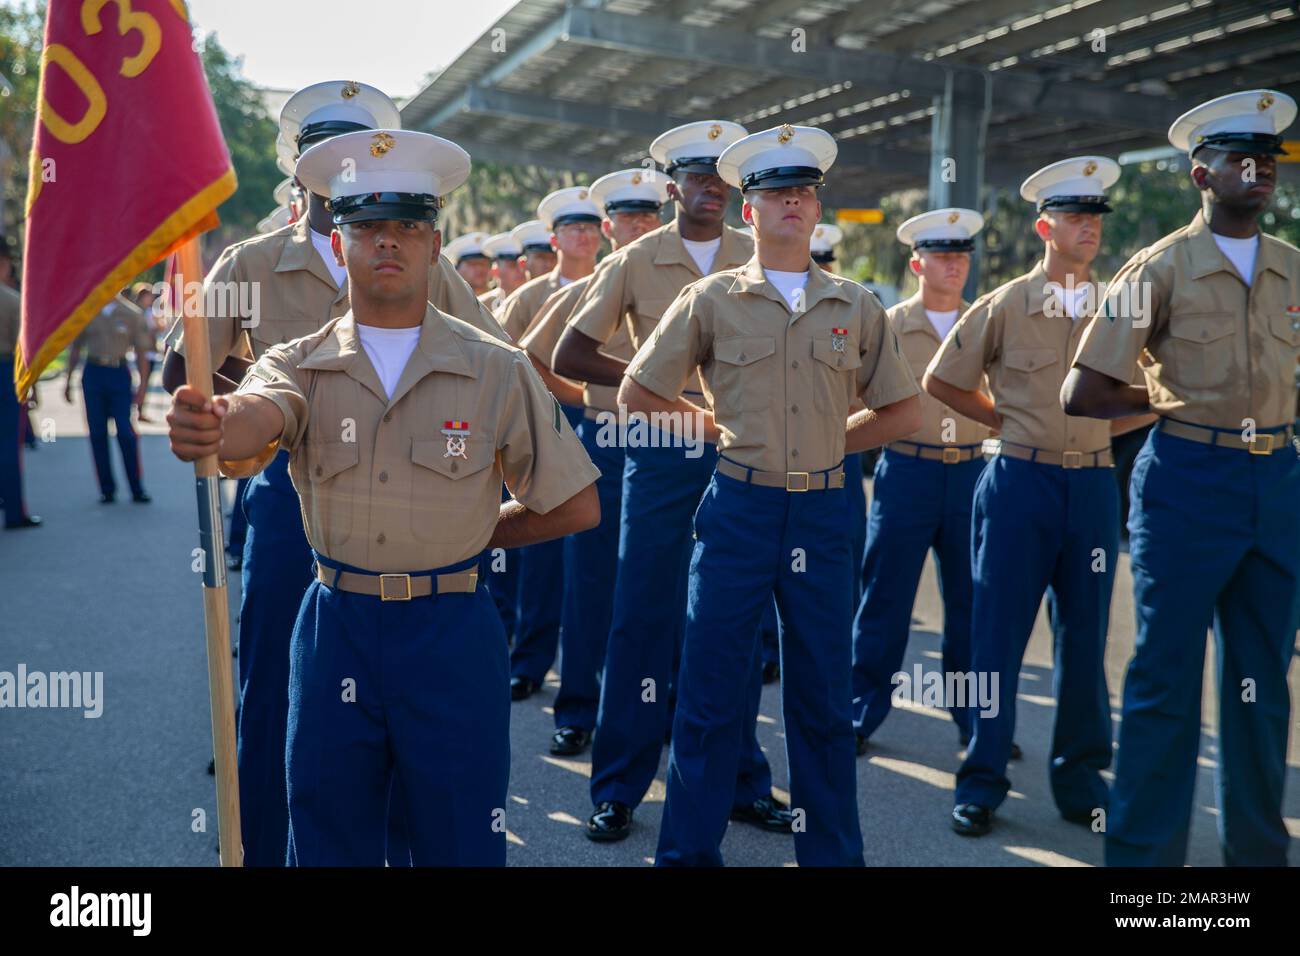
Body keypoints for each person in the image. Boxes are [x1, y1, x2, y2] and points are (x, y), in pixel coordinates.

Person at [166, 128, 601, 866]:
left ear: (435, 247)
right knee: (330, 837)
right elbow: (258, 414)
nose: (388, 242)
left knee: (460, 838)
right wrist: (212, 422)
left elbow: (576, 503)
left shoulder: (495, 368)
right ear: (340, 246)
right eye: (367, 226)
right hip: (338, 623)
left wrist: (471, 534)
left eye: (408, 226)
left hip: (453, 630)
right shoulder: (297, 363)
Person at [622, 124, 921, 866]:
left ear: (818, 210)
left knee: (821, 699)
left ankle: (830, 855)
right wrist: (721, 429)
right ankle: (687, 855)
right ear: (746, 212)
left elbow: (904, 411)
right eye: (775, 193)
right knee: (711, 693)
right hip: (740, 508)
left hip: (822, 512)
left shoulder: (855, 304)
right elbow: (638, 392)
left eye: (804, 192)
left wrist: (826, 444)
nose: (793, 203)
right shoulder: (711, 299)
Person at [1061, 89, 1300, 867]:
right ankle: (1141, 863)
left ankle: (1258, 857)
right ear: (1202, 173)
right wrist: (1175, 398)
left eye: (1268, 158)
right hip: (1188, 477)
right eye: (1240, 158)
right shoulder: (1157, 266)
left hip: (1277, 479)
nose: (1258, 169)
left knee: (1263, 681)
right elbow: (1084, 391)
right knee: (1166, 677)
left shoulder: (1294, 270)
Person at [555, 120, 790, 842]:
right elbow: (571, 352)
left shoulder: (759, 255)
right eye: (697, 177)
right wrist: (661, 389)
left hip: (741, 455)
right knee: (642, 613)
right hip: (658, 452)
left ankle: (743, 779)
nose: (710, 189)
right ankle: (619, 786)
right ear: (673, 189)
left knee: (736, 624)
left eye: (721, 179)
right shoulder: (635, 259)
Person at [925, 156, 1149, 837]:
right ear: (1045, 226)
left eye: (1095, 219)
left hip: (1090, 487)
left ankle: (1080, 783)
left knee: (1085, 643)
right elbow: (943, 379)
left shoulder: (1122, 307)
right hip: (1018, 482)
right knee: (998, 637)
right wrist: (1005, 423)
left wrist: (1114, 425)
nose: (1089, 230)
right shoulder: (1005, 304)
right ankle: (982, 780)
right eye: (1076, 218)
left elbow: (1156, 395)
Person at [516, 167, 667, 756]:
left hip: (670, 438)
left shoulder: (680, 281)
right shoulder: (597, 282)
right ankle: (578, 707)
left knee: (662, 583)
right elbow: (533, 354)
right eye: (628, 218)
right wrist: (584, 397)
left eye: (649, 217)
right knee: (591, 580)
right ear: (610, 228)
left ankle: (661, 707)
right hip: (605, 434)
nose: (639, 228)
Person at [851, 208, 993, 755]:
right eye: (942, 255)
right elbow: (859, 392)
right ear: (917, 263)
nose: (954, 265)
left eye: (961, 256)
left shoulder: (982, 318)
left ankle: (975, 723)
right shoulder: (887, 323)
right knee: (885, 597)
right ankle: (860, 712)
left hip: (971, 472)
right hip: (907, 468)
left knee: (970, 602)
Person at [497, 187, 605, 715]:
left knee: (596, 558)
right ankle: (530, 661)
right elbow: (501, 362)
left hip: (606, 428)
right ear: (555, 237)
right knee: (542, 559)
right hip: (544, 431)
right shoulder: (530, 297)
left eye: (590, 227)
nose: (583, 236)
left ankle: (594, 673)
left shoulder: (618, 283)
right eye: (572, 228)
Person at [64, 293, 153, 504]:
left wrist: (142, 388)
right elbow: (76, 348)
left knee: (125, 432)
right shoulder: (86, 310)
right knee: (97, 433)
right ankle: (107, 489)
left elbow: (142, 353)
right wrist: (68, 380)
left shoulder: (131, 313)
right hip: (94, 372)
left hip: (119, 372)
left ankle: (136, 488)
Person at [0, 272, 39, 529]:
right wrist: (31, 385)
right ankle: (14, 512)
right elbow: (24, 351)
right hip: (5, 372)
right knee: (8, 444)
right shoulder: (13, 301)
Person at [479, 231, 526, 314]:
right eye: (513, 265)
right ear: (495, 271)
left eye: (523, 264)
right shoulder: (481, 307)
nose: (521, 270)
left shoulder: (538, 300)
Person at [445, 232, 493, 297]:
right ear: (457, 269)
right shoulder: (447, 301)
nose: (479, 268)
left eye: (484, 264)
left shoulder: (500, 302)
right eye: (472, 263)